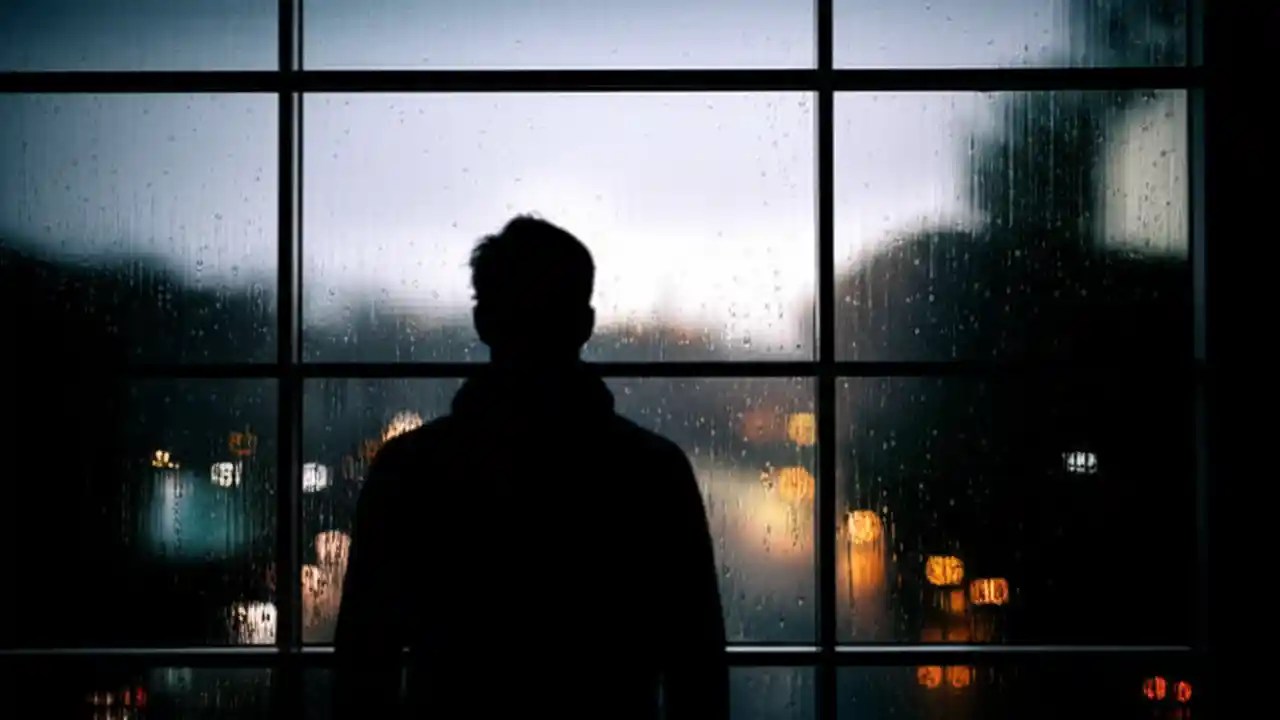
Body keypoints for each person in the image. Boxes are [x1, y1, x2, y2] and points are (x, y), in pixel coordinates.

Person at [334, 216, 728, 718]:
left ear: (483, 322)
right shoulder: (654, 471)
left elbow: (366, 660)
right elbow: (696, 662)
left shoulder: (408, 470)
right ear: (584, 324)